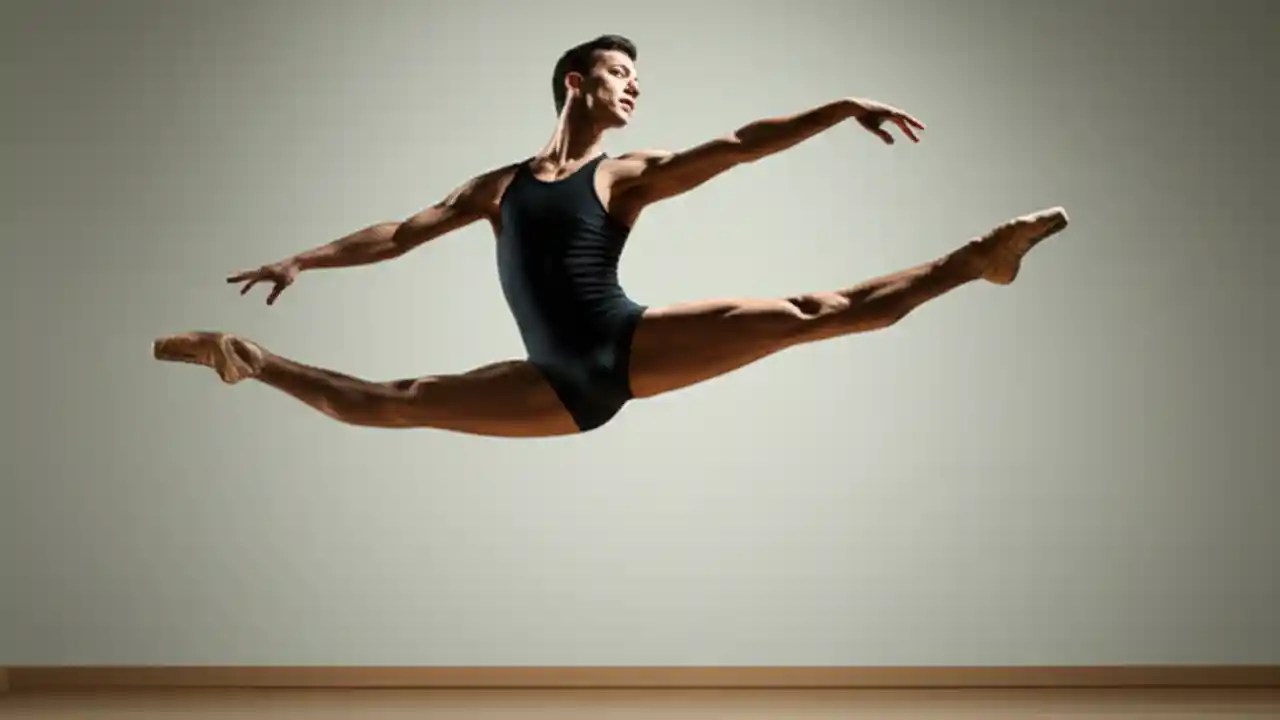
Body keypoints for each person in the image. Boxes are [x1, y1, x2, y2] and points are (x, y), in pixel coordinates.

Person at [153, 34, 1069, 438]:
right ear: (574, 82)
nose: (633, 88)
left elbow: (739, 147)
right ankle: (247, 359)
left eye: (637, 77)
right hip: (556, 387)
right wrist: (300, 258)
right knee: (395, 402)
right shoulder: (496, 188)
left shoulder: (623, 175)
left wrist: (837, 108)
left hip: (625, 343)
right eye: (619, 72)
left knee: (812, 311)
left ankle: (979, 259)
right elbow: (396, 233)